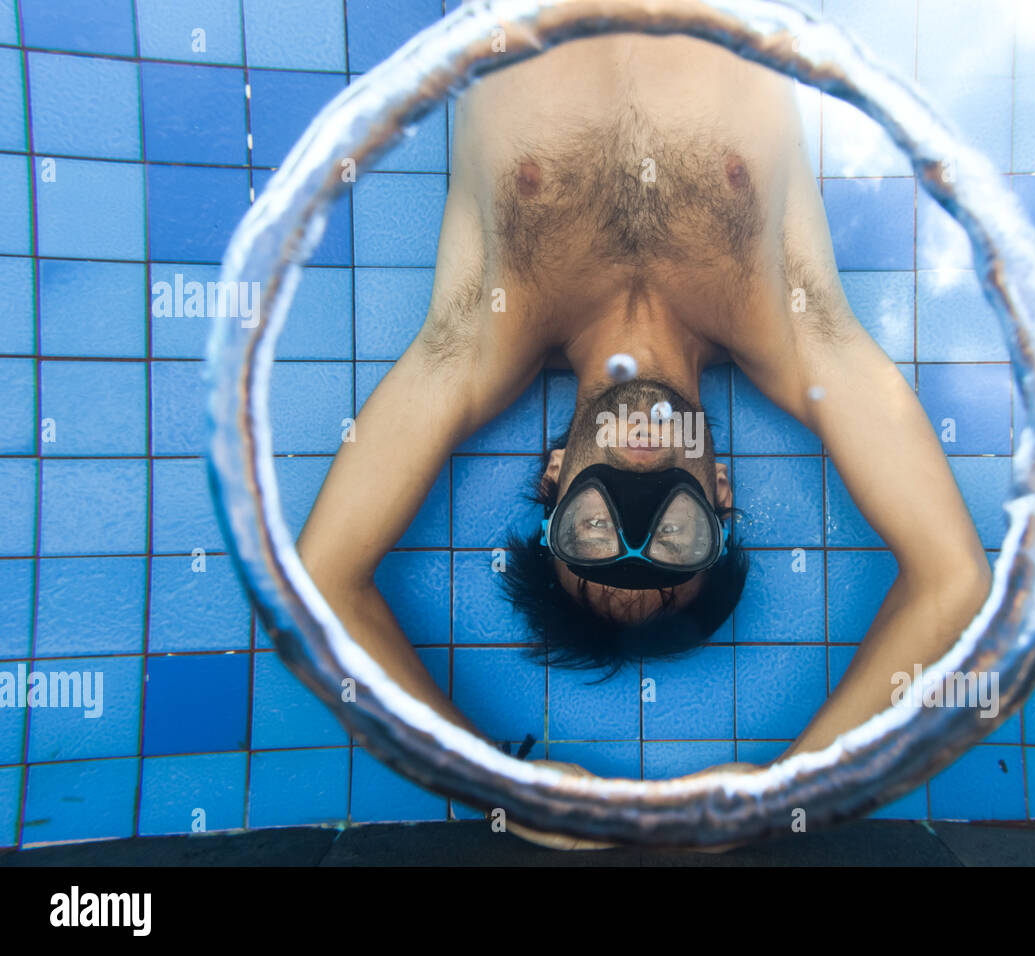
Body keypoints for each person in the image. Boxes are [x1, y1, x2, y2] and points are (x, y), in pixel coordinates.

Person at [296, 32, 991, 849]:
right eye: (674, 536)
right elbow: (957, 587)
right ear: (720, 495)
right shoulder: (796, 331)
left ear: (554, 477)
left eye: (593, 530)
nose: (638, 489)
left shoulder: (476, 341)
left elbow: (318, 591)